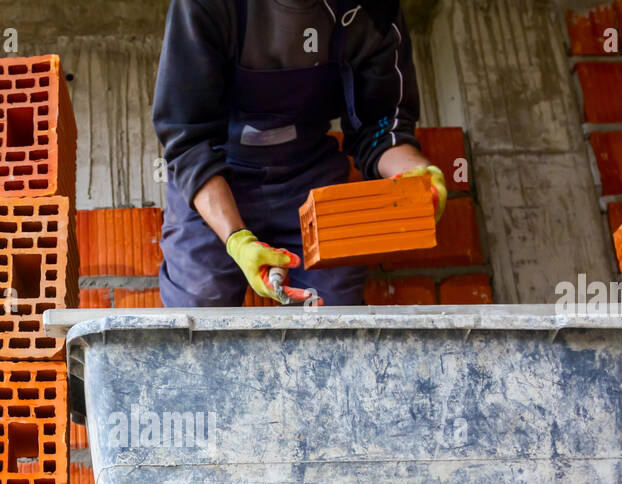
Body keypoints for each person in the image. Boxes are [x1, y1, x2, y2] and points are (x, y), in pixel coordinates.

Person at [153, 0, 447, 307]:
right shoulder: (205, 6)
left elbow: (380, 128)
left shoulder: (371, 11)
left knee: (334, 307)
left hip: (308, 176)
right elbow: (187, 138)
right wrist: (237, 240)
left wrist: (417, 175)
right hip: (213, 177)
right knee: (201, 297)